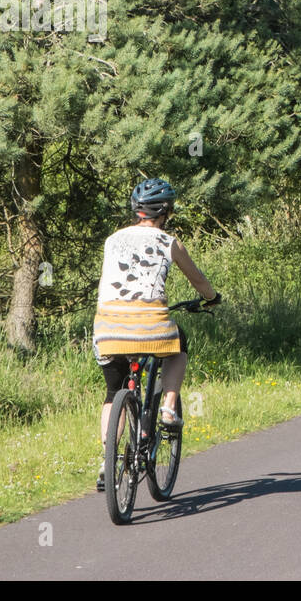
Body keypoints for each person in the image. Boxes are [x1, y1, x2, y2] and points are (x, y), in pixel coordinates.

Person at [92, 178, 220, 491]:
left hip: (108, 327)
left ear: (137, 210)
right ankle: (167, 406)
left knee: (113, 393)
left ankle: (107, 461)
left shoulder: (112, 240)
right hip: (151, 324)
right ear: (166, 211)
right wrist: (212, 298)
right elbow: (199, 282)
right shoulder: (169, 242)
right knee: (179, 344)